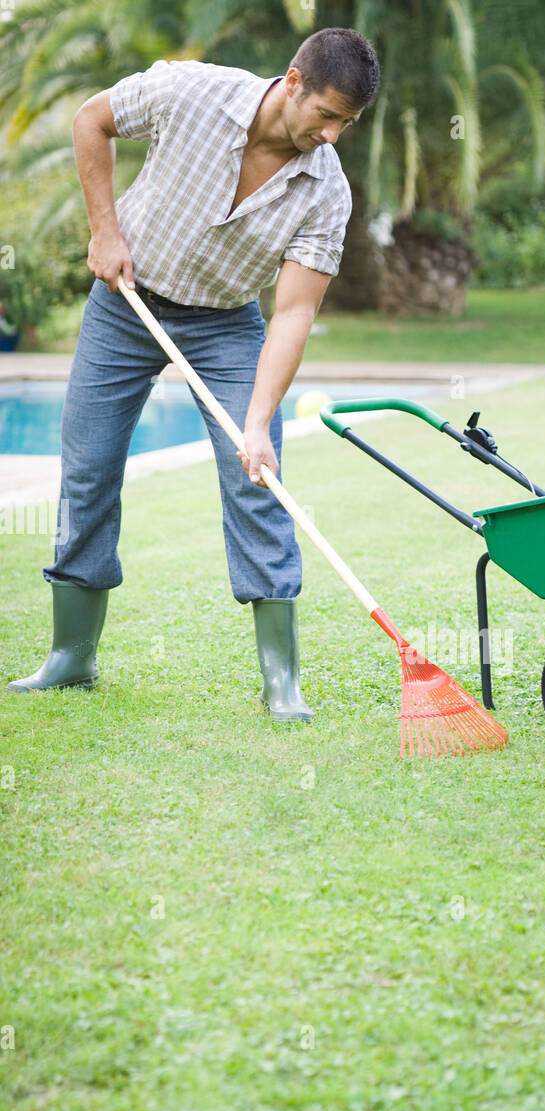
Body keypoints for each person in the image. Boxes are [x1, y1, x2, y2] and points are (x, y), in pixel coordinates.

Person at [7, 27, 380, 722]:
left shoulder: (325, 191)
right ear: (292, 82)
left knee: (258, 479)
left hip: (226, 323)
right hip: (127, 302)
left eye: (346, 124)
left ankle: (280, 680)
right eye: (326, 115)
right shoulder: (192, 91)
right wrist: (105, 231)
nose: (332, 135)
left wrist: (260, 422)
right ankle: (71, 656)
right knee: (88, 468)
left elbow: (293, 313)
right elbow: (93, 119)